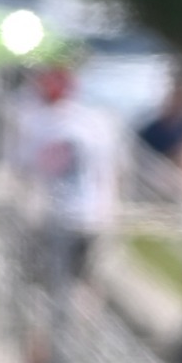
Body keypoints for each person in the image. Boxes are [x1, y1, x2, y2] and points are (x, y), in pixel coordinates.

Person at [8, 62, 123, 286]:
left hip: (74, 215)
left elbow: (23, 164)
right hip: (67, 216)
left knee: (65, 279)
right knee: (59, 279)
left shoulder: (57, 122)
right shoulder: (87, 122)